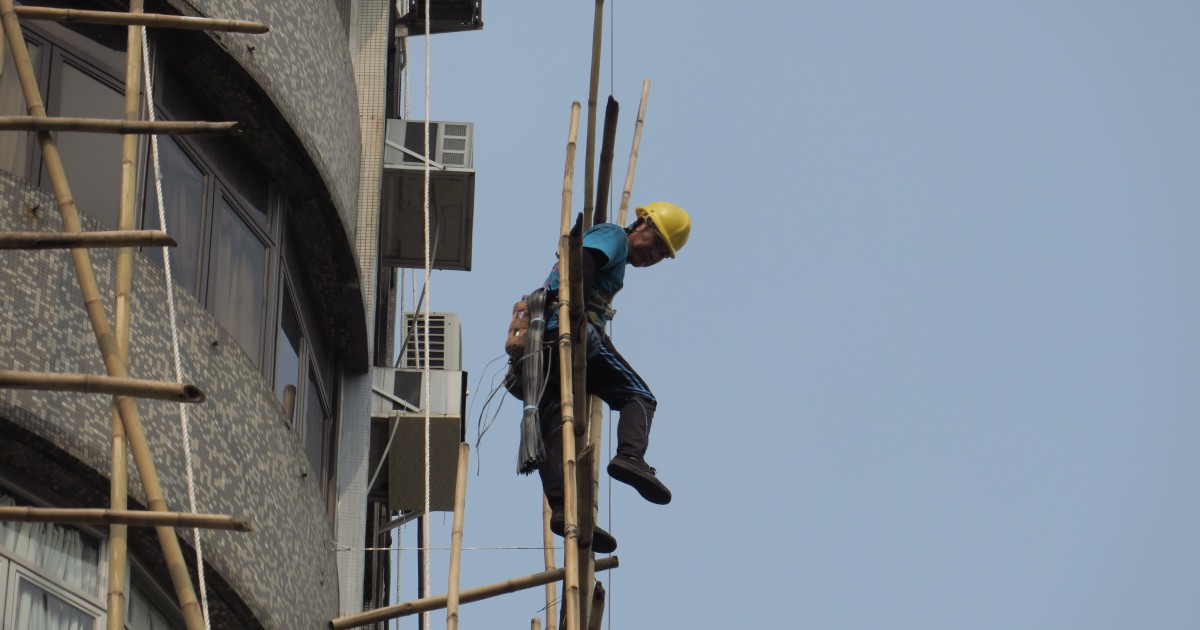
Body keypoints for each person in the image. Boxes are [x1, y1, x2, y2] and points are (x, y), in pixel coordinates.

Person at [528, 201, 691, 553]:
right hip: (567, 330)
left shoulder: (615, 245)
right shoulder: (614, 234)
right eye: (657, 243)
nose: (655, 255)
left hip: (541, 345)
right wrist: (578, 314)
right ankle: (631, 458)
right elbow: (583, 262)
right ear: (641, 225)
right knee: (639, 396)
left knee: (553, 426)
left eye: (663, 254)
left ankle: (563, 511)